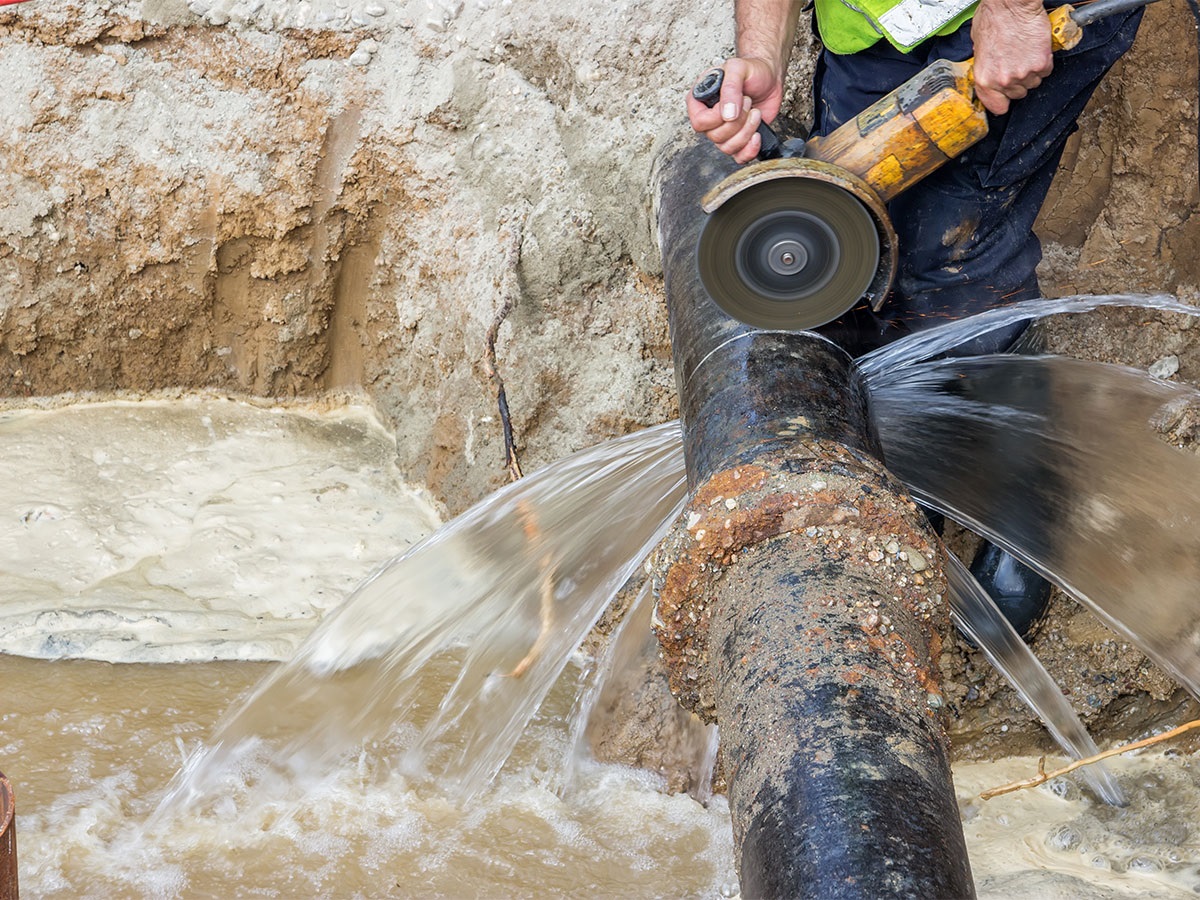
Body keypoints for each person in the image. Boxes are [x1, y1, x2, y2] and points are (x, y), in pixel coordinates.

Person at [686, 0, 1145, 635]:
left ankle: (1028, 514)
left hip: (1026, 16)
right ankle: (919, 476)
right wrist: (762, 55)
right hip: (879, 27)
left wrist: (1014, 11)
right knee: (859, 237)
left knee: (953, 261)